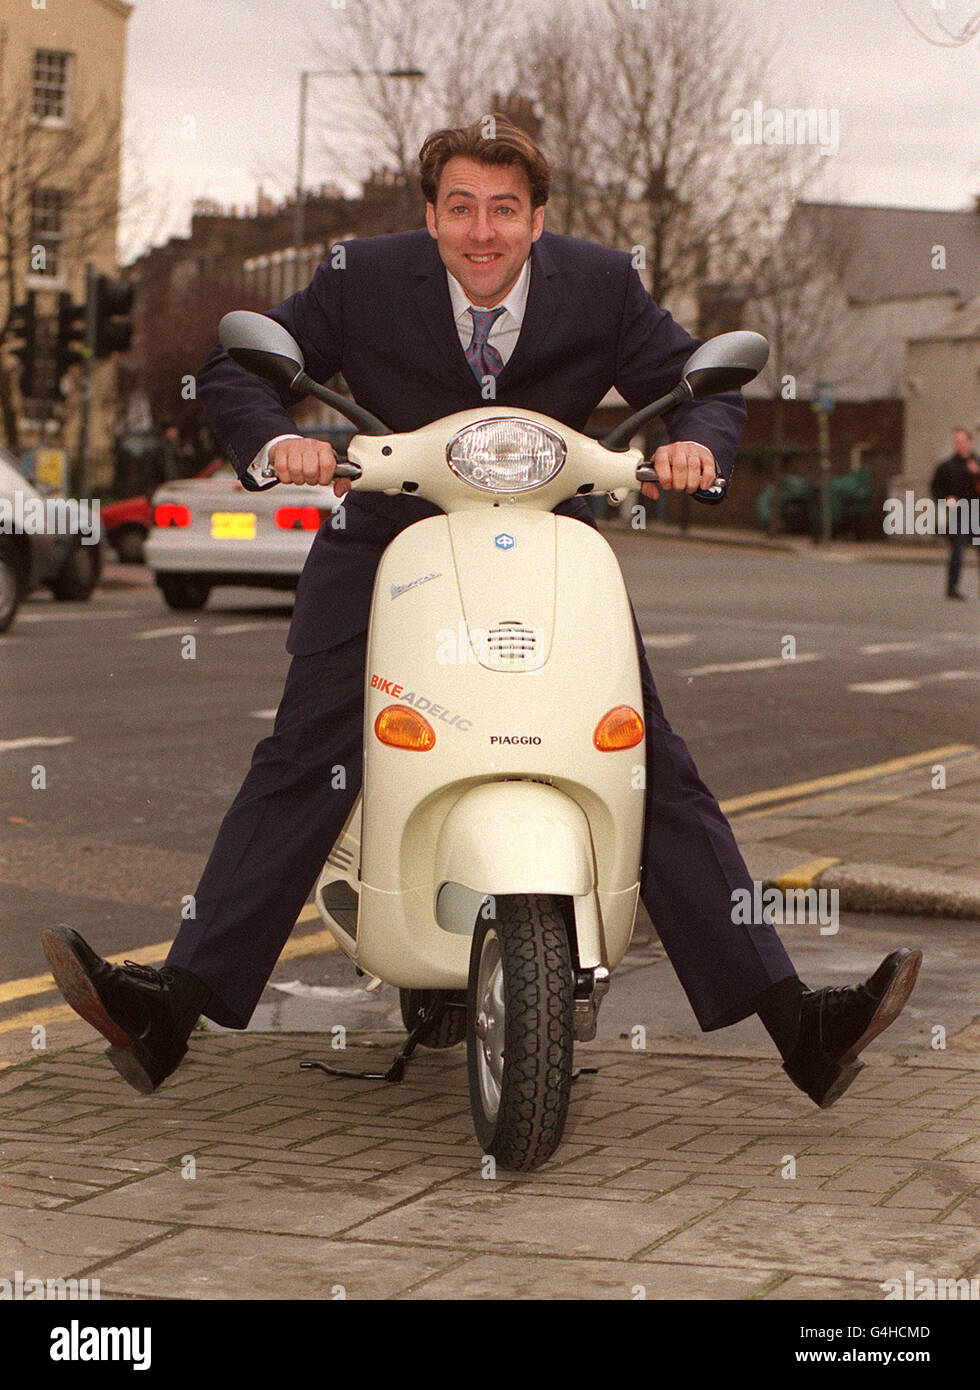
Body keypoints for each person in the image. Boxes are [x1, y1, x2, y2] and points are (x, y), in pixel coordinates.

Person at [42, 116, 921, 1110]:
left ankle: (798, 1025)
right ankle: (170, 1011)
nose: (481, 230)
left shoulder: (601, 284)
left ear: (537, 219)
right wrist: (278, 444)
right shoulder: (363, 276)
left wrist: (695, 447)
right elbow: (241, 364)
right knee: (308, 757)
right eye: (459, 207)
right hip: (388, 549)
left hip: (546, 548)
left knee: (646, 759)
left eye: (505, 209)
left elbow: (698, 387)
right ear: (430, 215)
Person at [930, 427, 980, 599]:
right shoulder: (946, 466)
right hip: (958, 514)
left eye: (962, 441)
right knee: (957, 550)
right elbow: (935, 488)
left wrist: (977, 473)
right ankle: (952, 588)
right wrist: (946, 499)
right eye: (956, 441)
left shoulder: (977, 463)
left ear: (969, 442)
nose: (960, 444)